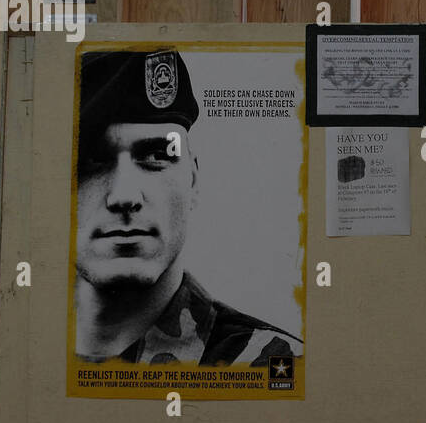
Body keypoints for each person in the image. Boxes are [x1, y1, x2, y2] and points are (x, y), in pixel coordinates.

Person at [73, 48, 301, 367]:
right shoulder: (28, 353)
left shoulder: (268, 362)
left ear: (192, 181)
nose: (124, 196)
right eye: (92, 161)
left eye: (156, 156)